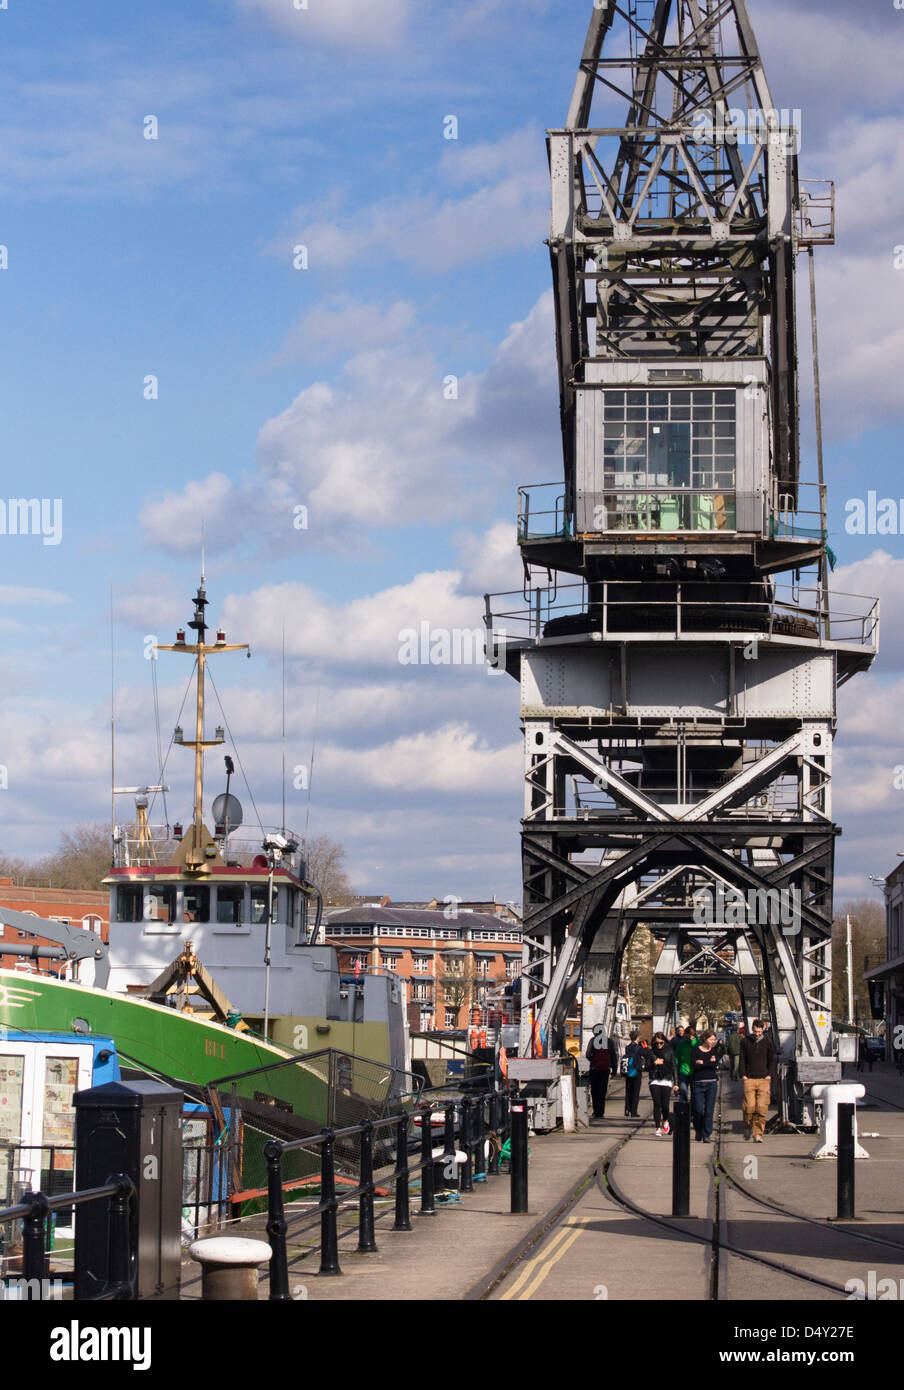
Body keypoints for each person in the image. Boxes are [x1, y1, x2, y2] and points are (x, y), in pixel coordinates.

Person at [740, 1018, 775, 1142]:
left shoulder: (768, 1042)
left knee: (761, 1108)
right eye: (755, 1031)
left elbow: (772, 1059)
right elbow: (742, 1059)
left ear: (763, 1030)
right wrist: (743, 1075)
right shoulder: (745, 1041)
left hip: (763, 1078)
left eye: (759, 1032)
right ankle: (748, 1125)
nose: (757, 1034)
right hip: (749, 1078)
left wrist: (770, 1074)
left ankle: (758, 1134)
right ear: (752, 1029)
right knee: (749, 1106)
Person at [690, 1030, 722, 1142]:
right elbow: (693, 1065)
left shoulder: (714, 1051)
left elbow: (715, 1064)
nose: (713, 1042)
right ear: (704, 1039)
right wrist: (707, 1062)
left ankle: (707, 1133)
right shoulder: (695, 1050)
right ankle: (698, 1130)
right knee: (698, 1110)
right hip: (698, 1083)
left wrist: (702, 1062)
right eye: (711, 1039)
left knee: (709, 1110)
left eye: (714, 1039)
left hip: (711, 1083)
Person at [647, 1031, 676, 1135]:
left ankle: (666, 1120)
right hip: (654, 1079)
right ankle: (657, 1127)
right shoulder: (651, 1052)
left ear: (664, 1042)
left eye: (661, 1043)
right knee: (657, 1103)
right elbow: (646, 1067)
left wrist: (676, 1083)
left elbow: (673, 1067)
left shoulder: (670, 1051)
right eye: (656, 1043)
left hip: (666, 1080)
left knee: (665, 1105)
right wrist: (654, 1064)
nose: (658, 1045)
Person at [585, 1030, 614, 1119]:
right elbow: (613, 1056)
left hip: (594, 1069)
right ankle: (601, 1112)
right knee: (602, 1090)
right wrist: (614, 1068)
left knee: (594, 1091)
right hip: (605, 1070)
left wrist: (594, 1060)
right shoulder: (609, 1041)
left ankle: (595, 1111)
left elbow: (588, 1054)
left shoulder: (592, 1040)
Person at [623, 1031, 645, 1117]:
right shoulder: (639, 1048)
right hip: (636, 1071)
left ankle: (627, 1109)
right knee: (635, 1091)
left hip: (628, 1070)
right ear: (637, 1037)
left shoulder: (627, 1047)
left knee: (628, 1090)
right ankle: (634, 1111)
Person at [673, 1026, 696, 1102]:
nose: (689, 1036)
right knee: (683, 1092)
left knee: (695, 1094)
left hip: (695, 1072)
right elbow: (676, 1057)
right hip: (683, 1071)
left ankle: (693, 1111)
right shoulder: (681, 1044)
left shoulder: (698, 1043)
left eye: (691, 1035)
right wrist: (676, 1068)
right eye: (687, 1035)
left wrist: (693, 1042)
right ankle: (683, 1111)